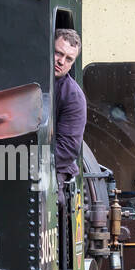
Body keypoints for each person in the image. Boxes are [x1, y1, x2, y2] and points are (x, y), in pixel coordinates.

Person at [53, 28, 87, 200]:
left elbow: (67, 149)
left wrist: (24, 163)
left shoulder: (73, 96)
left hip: (55, 170)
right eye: (58, 53)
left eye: (68, 59)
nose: (61, 61)